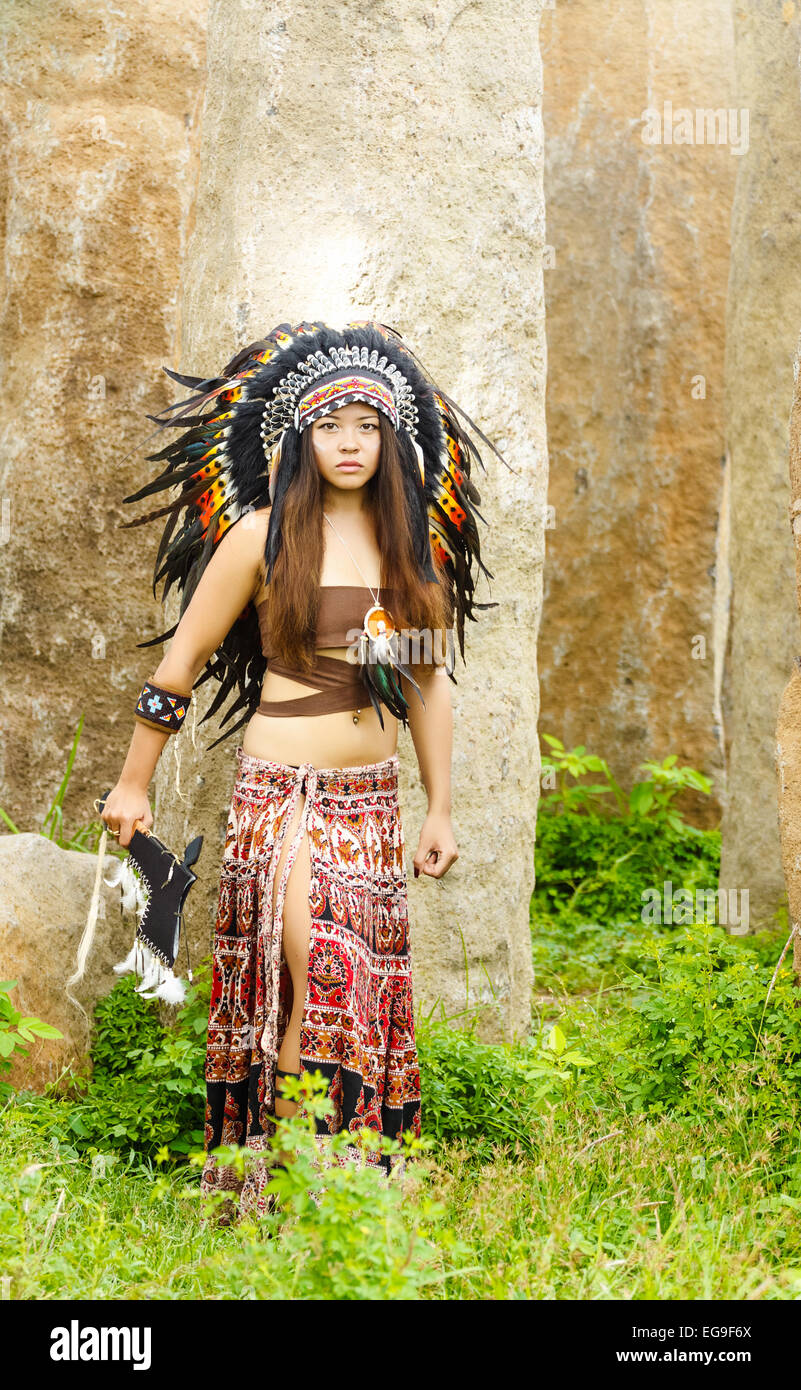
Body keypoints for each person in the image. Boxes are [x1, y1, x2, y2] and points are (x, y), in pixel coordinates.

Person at [99, 320, 508, 1222]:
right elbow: (178, 671)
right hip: (281, 798)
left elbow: (428, 690)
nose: (350, 442)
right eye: (331, 426)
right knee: (314, 975)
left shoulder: (411, 558)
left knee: (352, 991)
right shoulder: (261, 539)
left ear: (390, 437)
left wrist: (439, 808)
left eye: (366, 425)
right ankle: (292, 1188)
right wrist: (133, 783)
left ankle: (328, 1185)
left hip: (370, 806)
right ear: (300, 438)